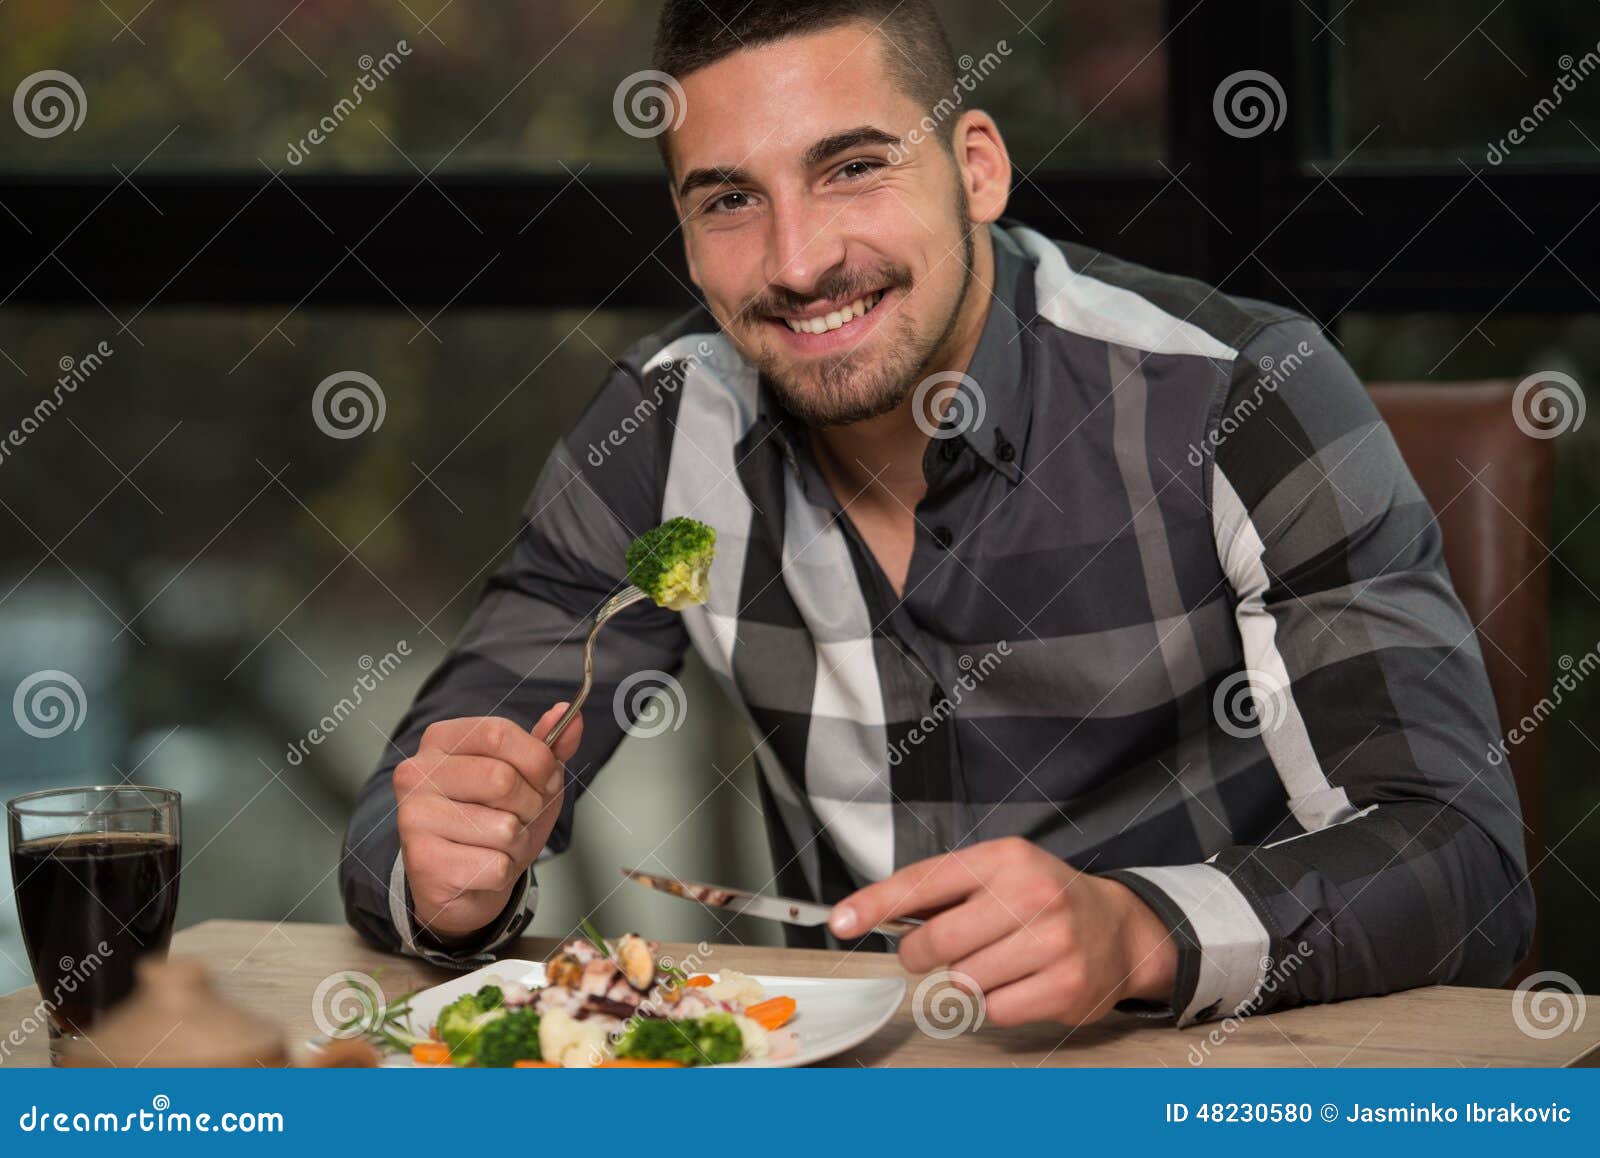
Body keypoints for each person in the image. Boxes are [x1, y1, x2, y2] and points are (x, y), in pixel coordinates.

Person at [341, 0, 1533, 1028]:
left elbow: (1461, 862)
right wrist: (446, 871)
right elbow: (422, 796)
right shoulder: (657, 442)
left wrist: (1138, 932)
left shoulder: (1241, 392)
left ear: (975, 167)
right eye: (727, 201)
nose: (799, 261)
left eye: (852, 167)